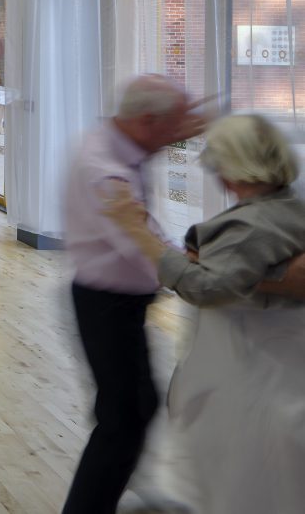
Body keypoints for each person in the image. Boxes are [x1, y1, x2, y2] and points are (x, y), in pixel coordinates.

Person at [103, 114, 305, 513]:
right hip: (273, 372)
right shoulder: (288, 209)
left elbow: (207, 288)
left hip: (247, 376)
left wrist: (141, 235)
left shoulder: (251, 225)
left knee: (243, 487)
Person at [58, 75, 207, 514]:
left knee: (135, 409)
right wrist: (200, 269)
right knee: (122, 423)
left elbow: (146, 241)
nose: (180, 137)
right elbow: (148, 253)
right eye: (173, 127)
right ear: (146, 121)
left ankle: (112, 495)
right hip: (107, 305)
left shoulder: (118, 139)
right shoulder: (106, 173)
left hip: (115, 302)